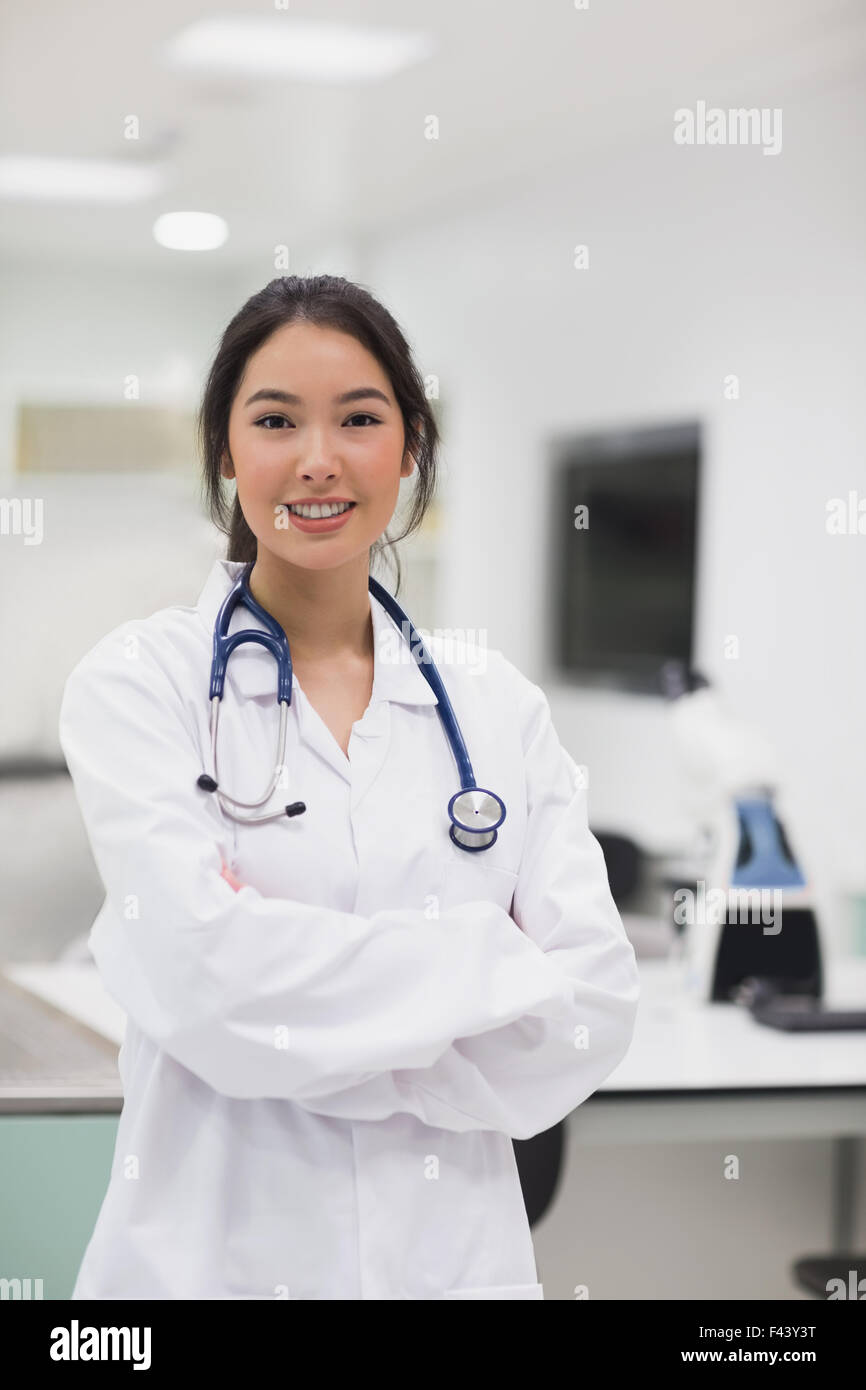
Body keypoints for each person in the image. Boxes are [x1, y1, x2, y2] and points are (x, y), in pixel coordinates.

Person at [59, 274, 640, 1300]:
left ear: (409, 446)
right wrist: (486, 960)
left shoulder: (496, 709)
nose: (316, 458)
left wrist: (278, 1016)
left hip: (451, 1269)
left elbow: (587, 1010)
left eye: (359, 418)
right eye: (275, 419)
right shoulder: (138, 684)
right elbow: (201, 973)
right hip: (209, 1268)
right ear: (226, 452)